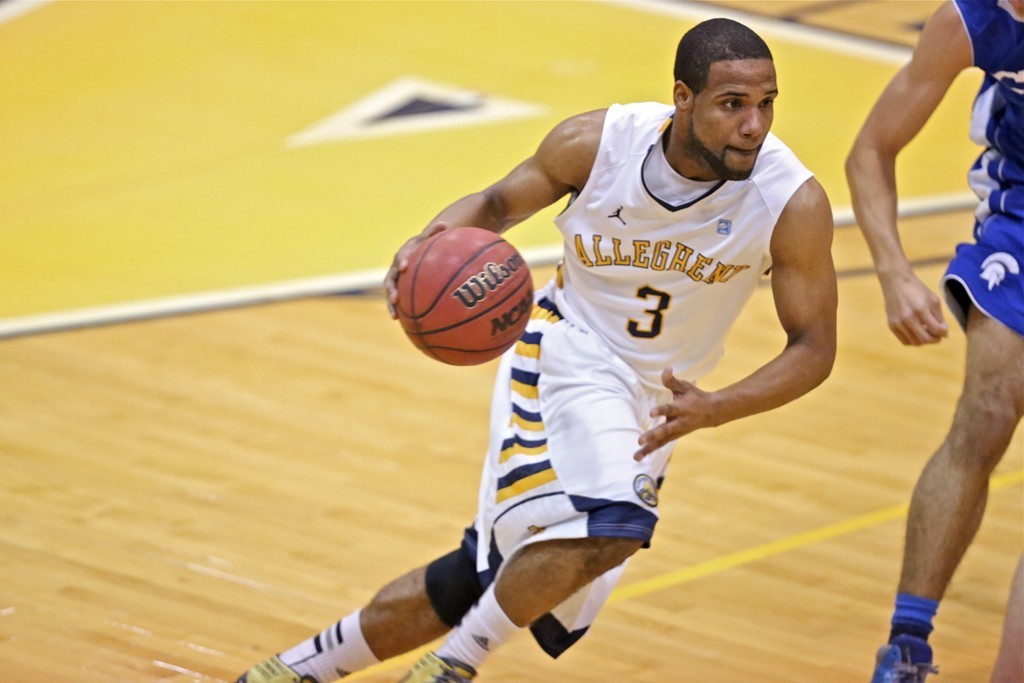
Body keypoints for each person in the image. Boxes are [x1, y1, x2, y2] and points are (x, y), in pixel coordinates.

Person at [237, 17, 837, 683]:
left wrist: (718, 407)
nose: (754, 125)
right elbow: (494, 204)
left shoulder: (791, 200)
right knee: (615, 524)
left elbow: (813, 347)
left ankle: (291, 671)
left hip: (665, 400)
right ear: (683, 98)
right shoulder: (597, 145)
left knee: (479, 575)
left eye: (766, 104)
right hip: (568, 355)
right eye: (733, 105)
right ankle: (450, 668)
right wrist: (427, 241)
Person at [845, 1, 1024, 681]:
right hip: (1021, 222)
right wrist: (893, 272)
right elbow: (869, 150)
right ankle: (907, 644)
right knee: (985, 419)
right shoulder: (975, 21)